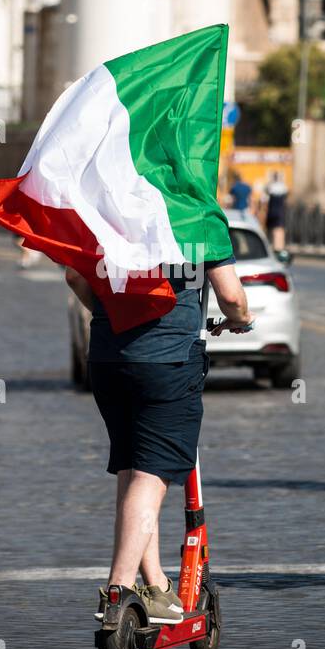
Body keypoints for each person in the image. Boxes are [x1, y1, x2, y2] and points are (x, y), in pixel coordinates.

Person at [65, 250, 252, 625]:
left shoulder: (112, 207)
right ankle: (119, 588)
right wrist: (241, 319)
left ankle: (155, 586)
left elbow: (75, 277)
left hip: (107, 358)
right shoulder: (197, 213)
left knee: (133, 466)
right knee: (151, 478)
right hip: (168, 359)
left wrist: (111, 312)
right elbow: (231, 296)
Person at [262, 169, 289, 253]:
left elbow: (264, 199)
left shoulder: (270, 186)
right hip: (280, 212)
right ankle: (279, 248)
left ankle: (272, 248)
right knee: (279, 231)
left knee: (270, 231)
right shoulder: (283, 187)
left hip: (271, 211)